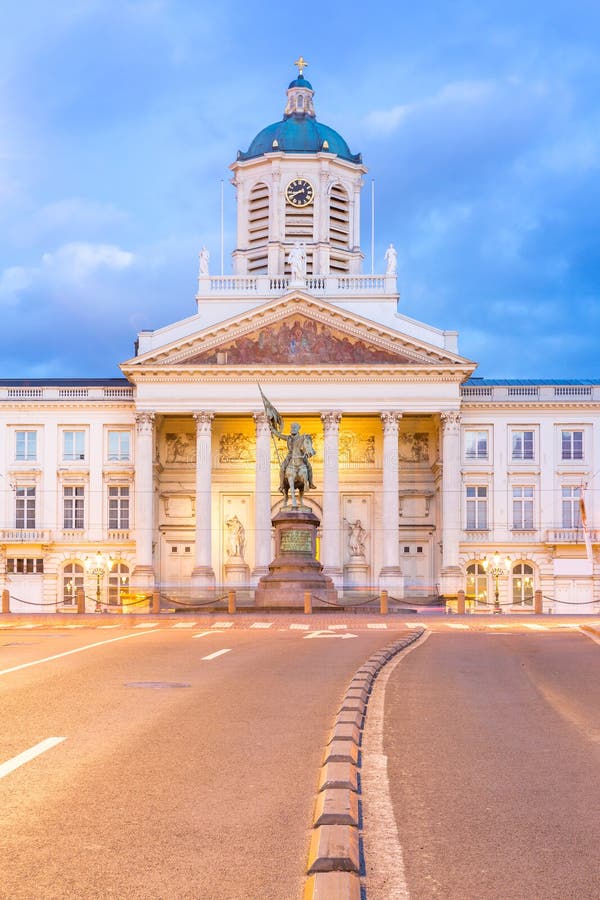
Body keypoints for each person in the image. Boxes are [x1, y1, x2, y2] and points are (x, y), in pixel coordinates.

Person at [273, 421, 316, 493]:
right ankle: (281, 485)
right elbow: (279, 435)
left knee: (309, 466)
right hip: (290, 455)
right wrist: (273, 430)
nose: (293, 429)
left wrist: (310, 451)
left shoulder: (302, 438)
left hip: (301, 455)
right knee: (282, 468)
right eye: (292, 427)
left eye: (295, 428)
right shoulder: (288, 438)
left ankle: (310, 483)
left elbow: (308, 445)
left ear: (298, 429)